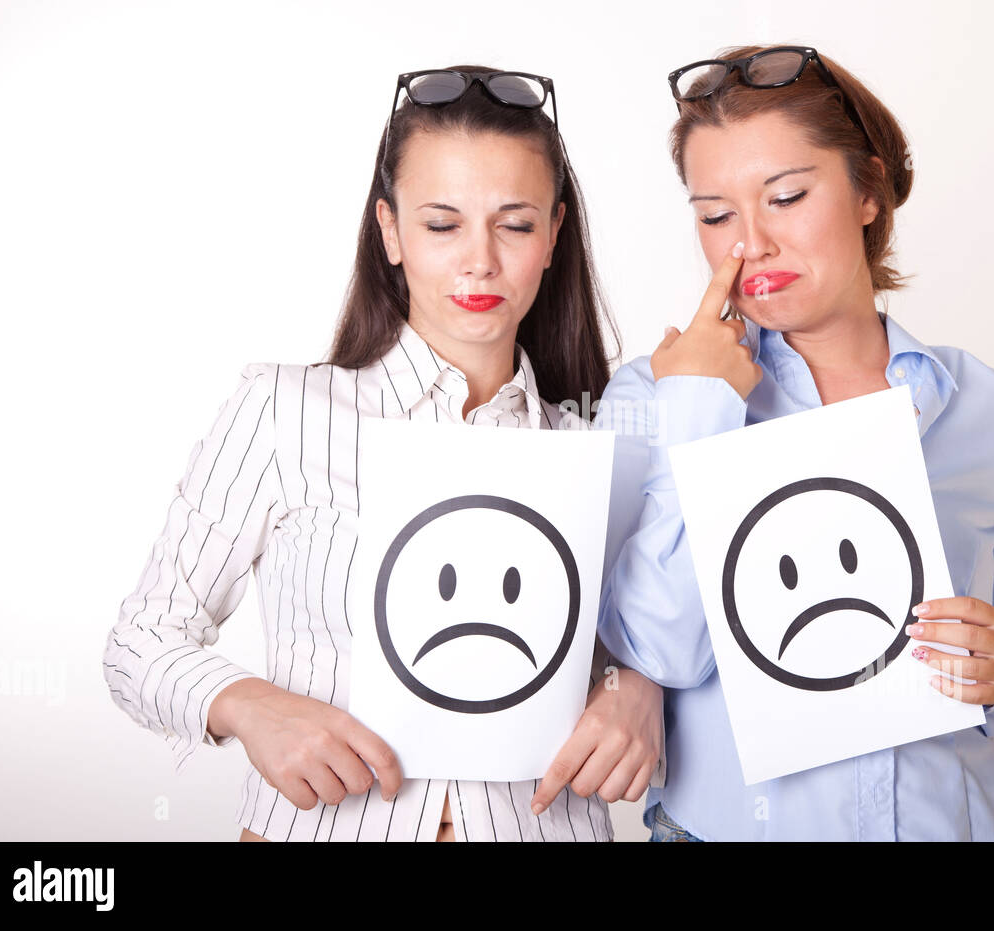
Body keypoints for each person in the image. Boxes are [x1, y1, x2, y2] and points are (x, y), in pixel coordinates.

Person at [104, 65, 663, 842]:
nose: (479, 261)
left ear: (554, 234)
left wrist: (641, 688)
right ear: (391, 231)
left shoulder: (604, 448)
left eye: (516, 223)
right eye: (442, 224)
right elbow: (138, 642)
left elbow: (651, 646)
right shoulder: (282, 412)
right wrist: (247, 705)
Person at [595, 45, 994, 841]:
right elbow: (658, 649)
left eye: (784, 196)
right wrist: (698, 406)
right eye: (715, 214)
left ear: (868, 191)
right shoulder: (655, 397)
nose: (748, 243)